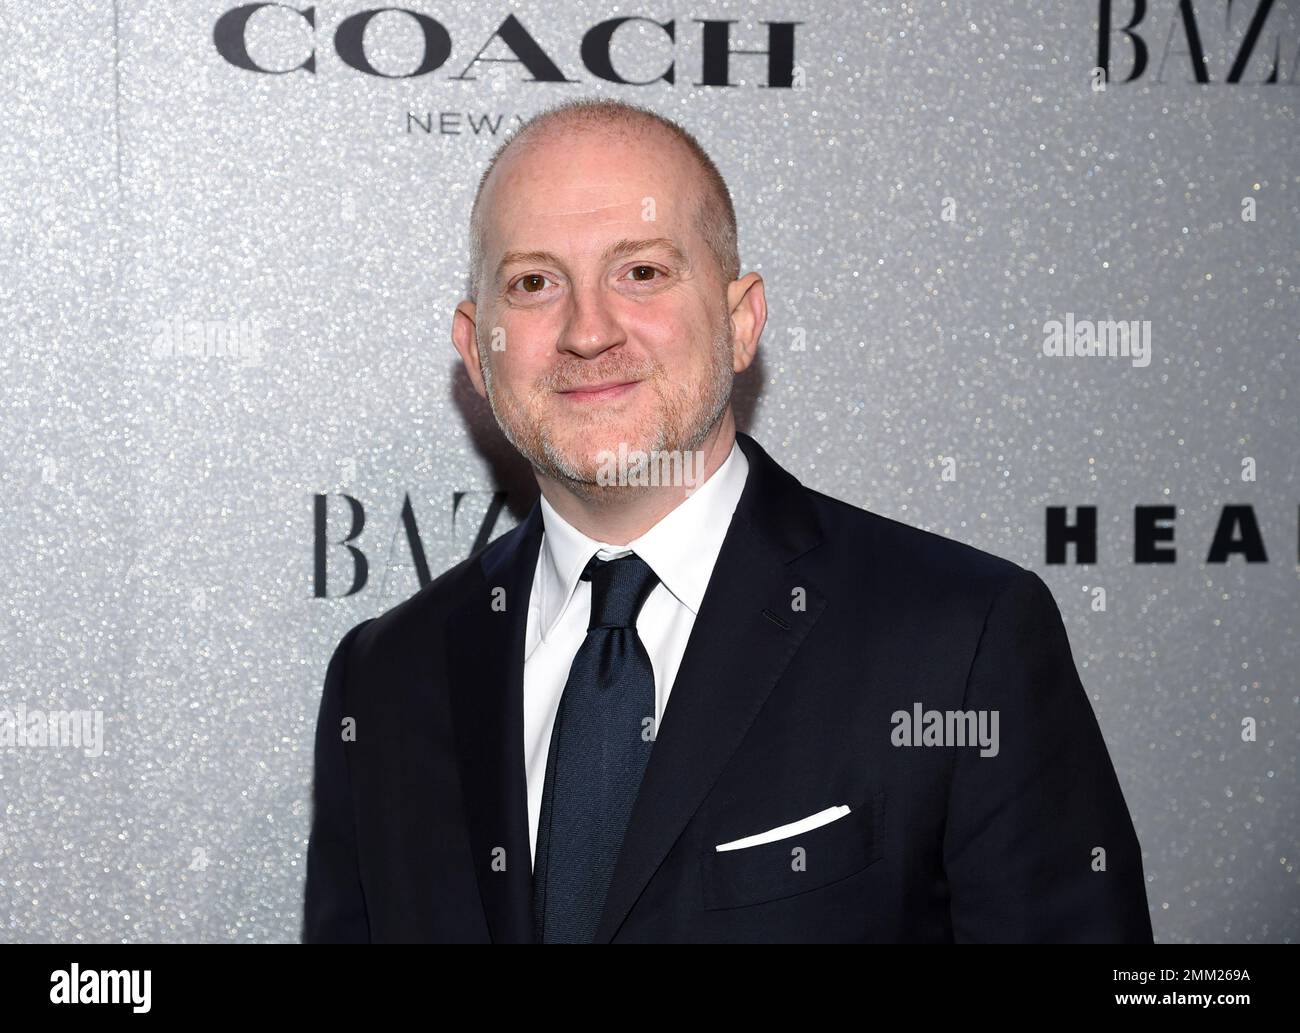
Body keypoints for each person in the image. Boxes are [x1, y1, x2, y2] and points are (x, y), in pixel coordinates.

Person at [303, 97, 1153, 943]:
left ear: (742, 321)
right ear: (475, 349)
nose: (588, 331)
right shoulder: (385, 679)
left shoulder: (958, 640)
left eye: (641, 272)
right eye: (533, 282)